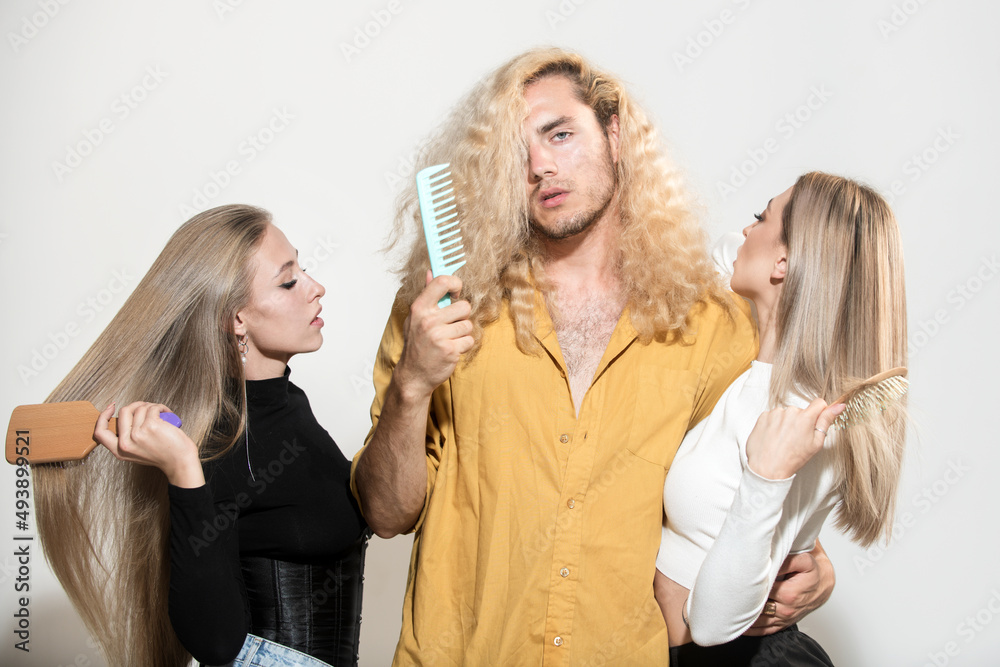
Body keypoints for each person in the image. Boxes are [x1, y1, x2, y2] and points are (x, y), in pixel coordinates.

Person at [351, 47, 835, 664]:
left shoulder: (710, 324)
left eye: (560, 134)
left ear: (615, 135)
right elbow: (385, 513)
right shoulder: (439, 311)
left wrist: (815, 566)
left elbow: (743, 483)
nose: (540, 166)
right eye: (514, 151)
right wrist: (412, 385)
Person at [34, 205, 368, 667]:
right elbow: (216, 645)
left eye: (303, 268)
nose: (316, 288)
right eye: (288, 281)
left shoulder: (289, 406)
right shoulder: (219, 442)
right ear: (237, 320)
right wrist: (183, 471)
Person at [654, 173, 908, 665]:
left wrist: (766, 477)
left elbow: (711, 625)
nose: (742, 231)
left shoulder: (803, 418)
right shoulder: (756, 369)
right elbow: (726, 251)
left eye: (759, 218)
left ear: (785, 262)